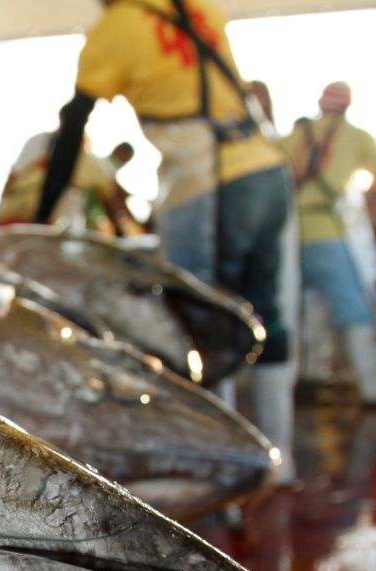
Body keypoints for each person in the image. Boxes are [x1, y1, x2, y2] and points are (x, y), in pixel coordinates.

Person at [33, 0, 295, 477]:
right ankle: (280, 456)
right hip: (267, 170)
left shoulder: (116, 28)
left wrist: (40, 220)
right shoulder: (195, 6)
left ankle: (226, 463)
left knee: (203, 323)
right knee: (265, 312)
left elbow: (73, 128)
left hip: (210, 182)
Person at [282, 82, 376, 406]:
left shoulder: (294, 137)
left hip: (292, 235)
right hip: (329, 232)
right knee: (356, 308)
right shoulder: (356, 136)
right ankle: (374, 387)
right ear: (347, 106)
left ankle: (309, 375)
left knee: (307, 306)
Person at [0, 111, 135, 234]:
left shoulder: (85, 159)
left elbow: (12, 178)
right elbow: (111, 199)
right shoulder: (82, 157)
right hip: (32, 226)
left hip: (17, 222)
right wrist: (122, 232)